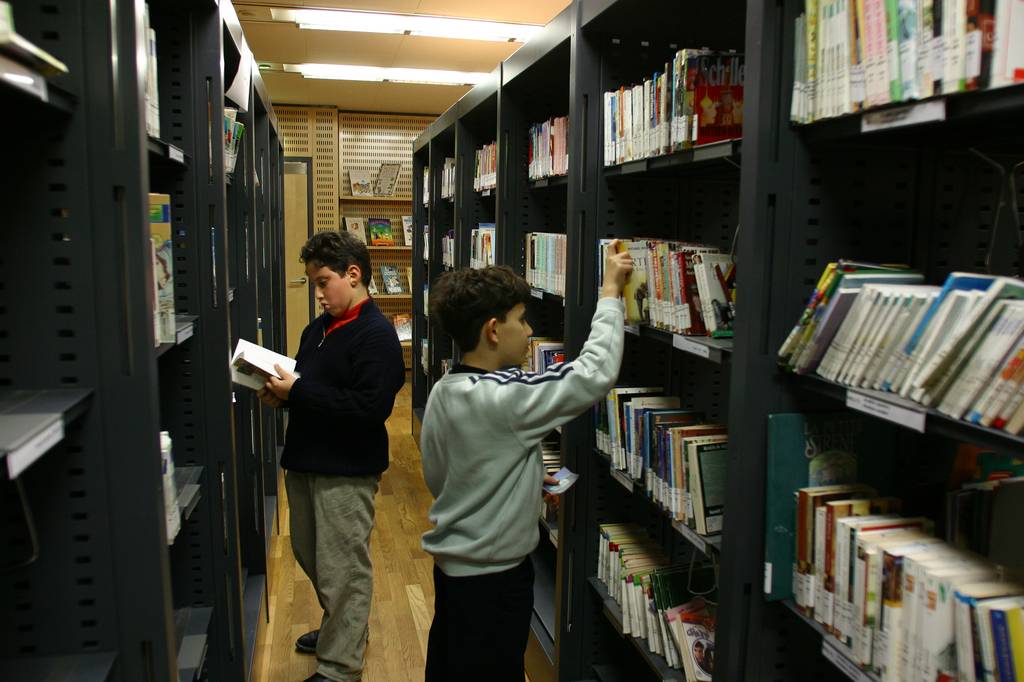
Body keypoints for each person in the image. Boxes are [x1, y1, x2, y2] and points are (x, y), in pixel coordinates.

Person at [419, 244, 633, 681]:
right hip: (492, 582)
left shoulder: (448, 388)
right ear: (495, 330)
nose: (530, 329)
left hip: (455, 574)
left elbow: (447, 473)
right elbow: (592, 373)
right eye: (521, 319)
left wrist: (523, 478)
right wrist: (610, 292)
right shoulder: (506, 398)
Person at [258, 230, 405, 682]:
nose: (318, 293)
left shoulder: (377, 337)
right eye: (314, 283)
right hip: (305, 459)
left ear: (354, 274)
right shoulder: (318, 328)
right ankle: (339, 629)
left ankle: (341, 665)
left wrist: (299, 392)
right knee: (311, 555)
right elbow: (314, 388)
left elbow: (368, 409)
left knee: (343, 567)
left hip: (346, 468)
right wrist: (284, 395)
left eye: (323, 282)